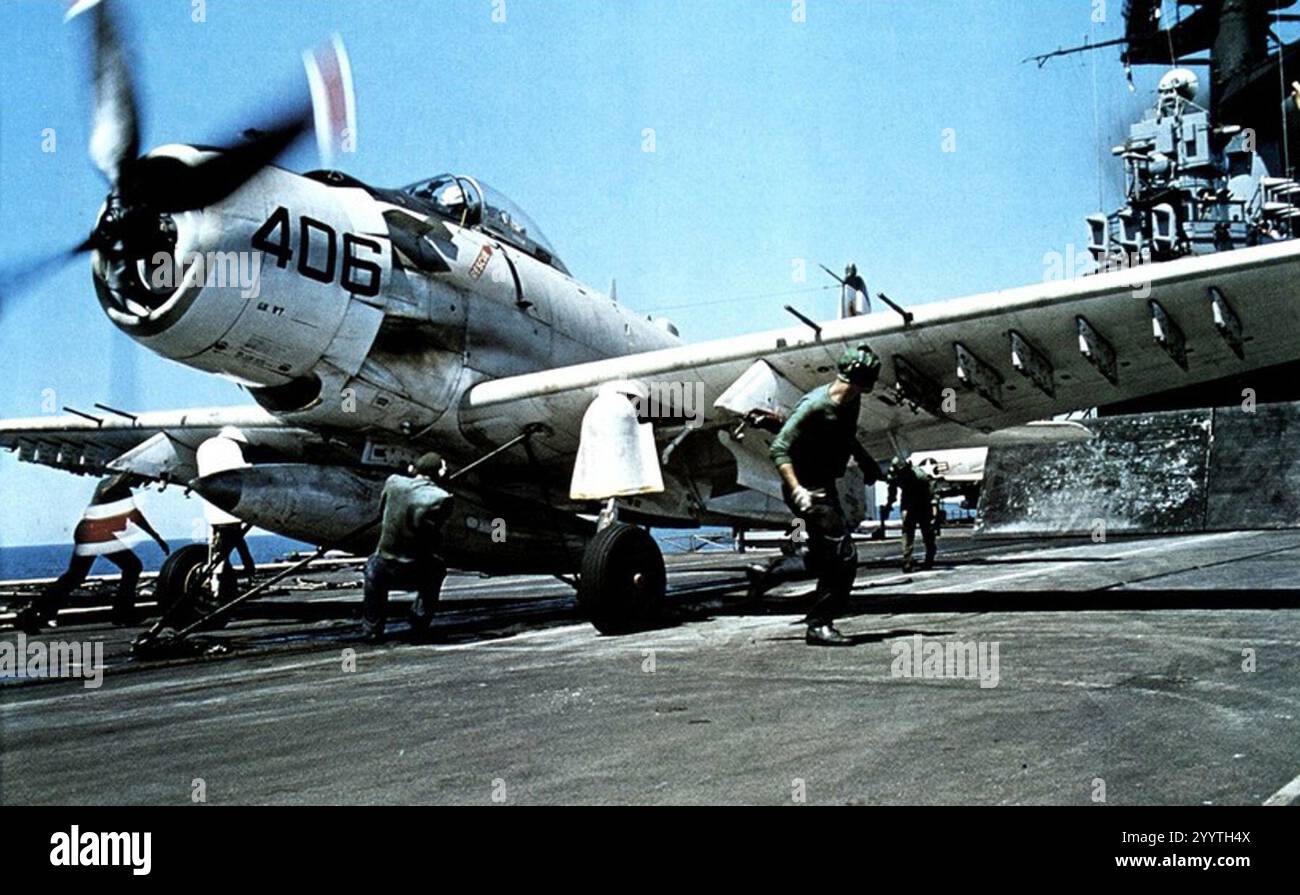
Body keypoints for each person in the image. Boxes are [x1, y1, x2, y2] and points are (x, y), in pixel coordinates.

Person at [757, 343, 882, 646]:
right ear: (859, 379)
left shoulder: (850, 401)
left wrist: (865, 461)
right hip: (807, 488)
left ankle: (767, 574)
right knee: (844, 556)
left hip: (824, 483)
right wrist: (798, 490)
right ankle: (819, 624)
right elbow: (779, 449)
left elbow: (845, 435)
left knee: (822, 557)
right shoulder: (814, 405)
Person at [15, 472, 169, 634]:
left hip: (94, 532)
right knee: (129, 566)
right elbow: (113, 490)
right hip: (93, 532)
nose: (143, 483)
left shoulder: (124, 492)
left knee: (78, 576)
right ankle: (121, 612)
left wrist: (156, 537)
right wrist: (129, 472)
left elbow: (135, 516)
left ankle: (32, 612)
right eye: (142, 478)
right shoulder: (109, 485)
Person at [361, 452, 454, 643]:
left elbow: (381, 512)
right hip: (415, 568)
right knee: (437, 569)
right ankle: (419, 622)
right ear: (440, 473)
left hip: (384, 566)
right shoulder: (443, 498)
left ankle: (372, 628)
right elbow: (434, 534)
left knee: (372, 566)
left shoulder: (393, 482)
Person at [883, 457, 939, 573]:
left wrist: (934, 509)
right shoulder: (894, 475)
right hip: (908, 503)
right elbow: (892, 491)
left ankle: (929, 558)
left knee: (927, 532)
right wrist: (888, 505)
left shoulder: (920, 475)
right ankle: (907, 560)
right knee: (907, 532)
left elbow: (932, 492)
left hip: (923, 502)